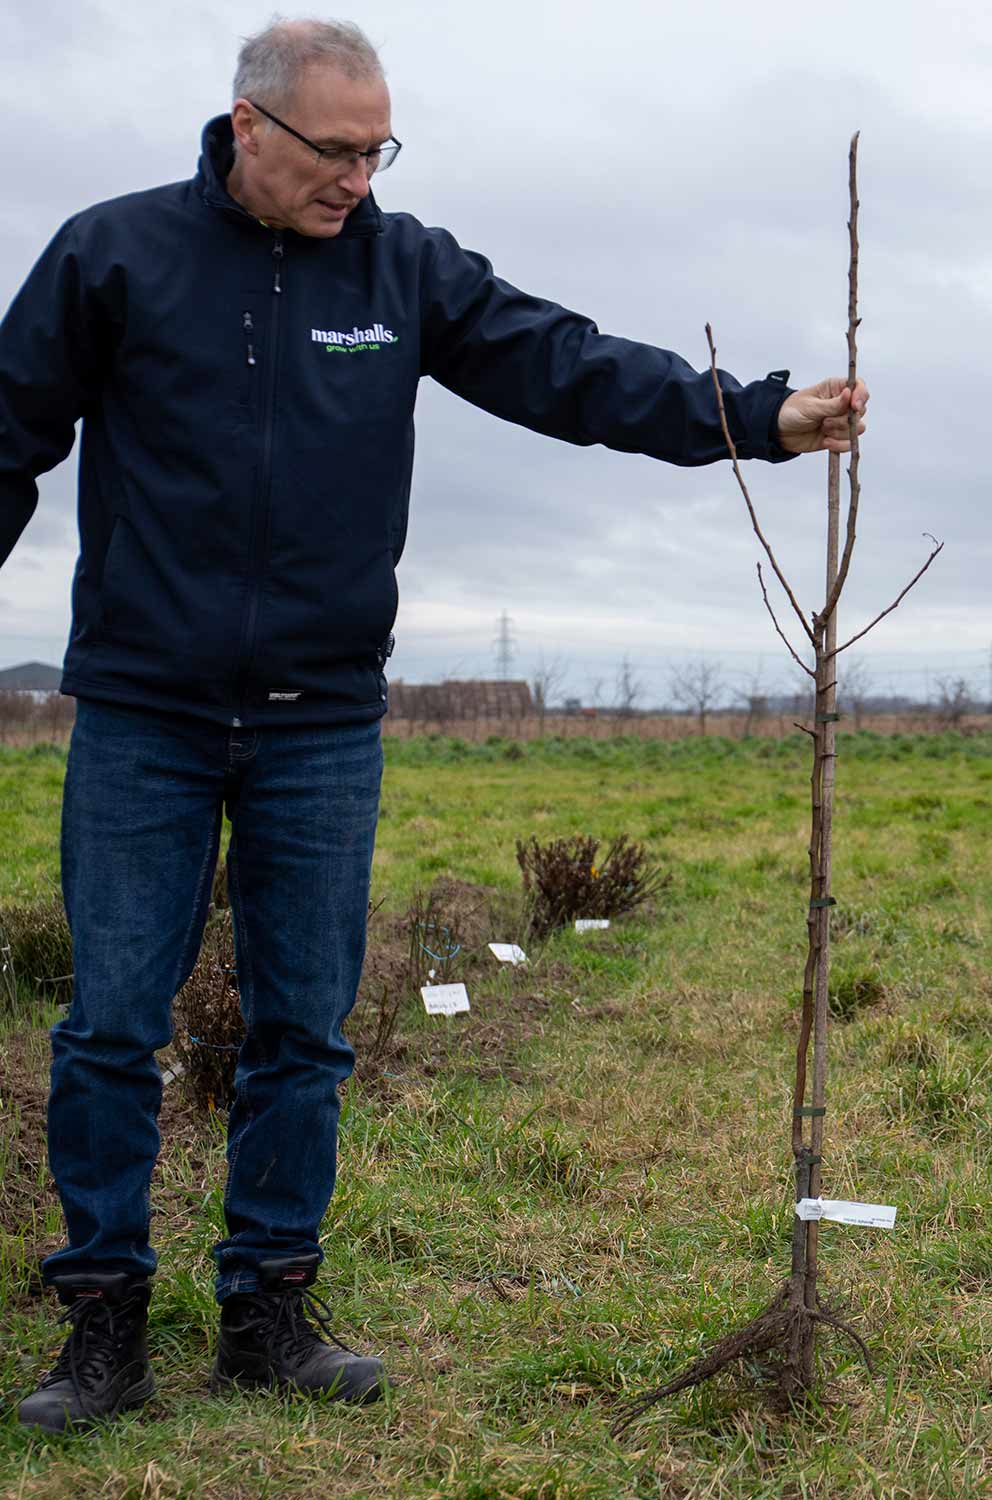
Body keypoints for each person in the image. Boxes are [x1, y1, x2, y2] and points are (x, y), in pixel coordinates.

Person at [0, 18, 868, 1433]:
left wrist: (756, 415)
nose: (360, 176)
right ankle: (102, 1329)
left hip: (320, 724)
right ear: (247, 130)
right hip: (144, 715)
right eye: (335, 150)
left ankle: (268, 1312)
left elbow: (568, 367)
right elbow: (6, 430)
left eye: (377, 148)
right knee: (106, 1028)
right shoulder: (114, 255)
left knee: (303, 1032)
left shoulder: (405, 270)